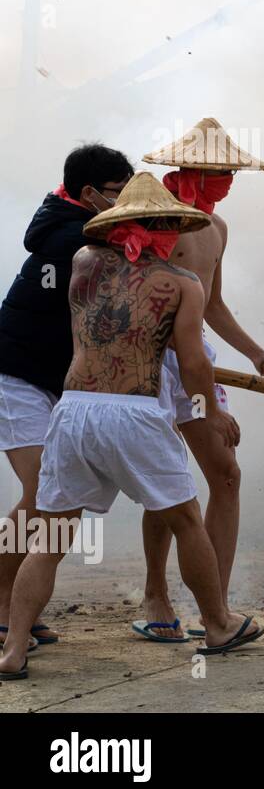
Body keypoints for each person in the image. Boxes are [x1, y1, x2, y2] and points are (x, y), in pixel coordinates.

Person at [0, 173, 263, 680]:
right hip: (134, 413)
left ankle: (12, 650)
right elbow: (193, 365)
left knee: (49, 538)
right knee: (186, 520)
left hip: (74, 411)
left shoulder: (82, 265)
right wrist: (211, 411)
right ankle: (218, 624)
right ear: (164, 227)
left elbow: (70, 232)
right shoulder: (182, 285)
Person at [133, 119, 264, 642]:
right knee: (166, 481)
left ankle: (215, 608)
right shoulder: (152, 217)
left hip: (196, 357)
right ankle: (156, 594)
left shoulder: (217, 229)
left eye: (231, 171)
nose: (226, 180)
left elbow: (212, 303)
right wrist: (186, 366)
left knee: (226, 475)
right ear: (193, 168)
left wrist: (257, 353)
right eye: (219, 171)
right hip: (152, 363)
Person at [0, 144, 133, 650]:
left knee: (60, 501)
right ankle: (1, 606)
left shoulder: (79, 223)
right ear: (88, 195)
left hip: (53, 382)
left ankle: (19, 610)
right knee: (41, 498)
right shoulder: (74, 238)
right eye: (118, 196)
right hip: (15, 377)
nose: (125, 206)